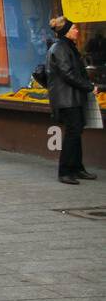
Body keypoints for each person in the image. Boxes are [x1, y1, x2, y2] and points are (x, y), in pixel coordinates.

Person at [47, 16, 99, 185]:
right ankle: (65, 171)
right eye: (74, 28)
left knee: (76, 133)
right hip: (66, 99)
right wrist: (89, 87)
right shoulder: (60, 48)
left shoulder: (68, 46)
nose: (77, 31)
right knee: (72, 133)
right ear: (65, 32)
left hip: (73, 98)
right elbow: (68, 74)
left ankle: (77, 168)